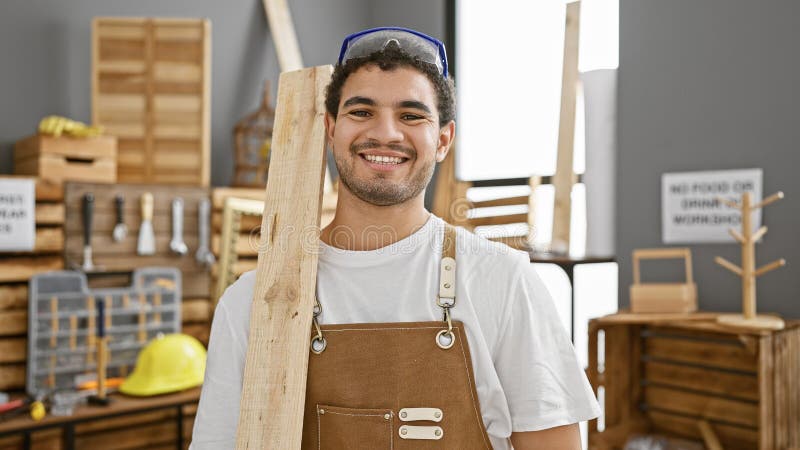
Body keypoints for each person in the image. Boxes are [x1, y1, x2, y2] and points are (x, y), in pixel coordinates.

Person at [190, 27, 600, 450]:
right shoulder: (253, 305)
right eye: (362, 112)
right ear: (330, 130)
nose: (385, 133)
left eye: (411, 115)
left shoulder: (503, 281)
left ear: (443, 140)